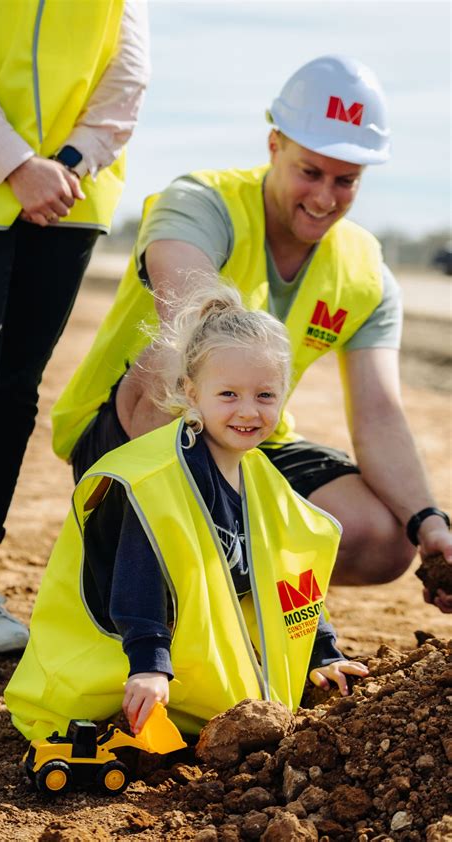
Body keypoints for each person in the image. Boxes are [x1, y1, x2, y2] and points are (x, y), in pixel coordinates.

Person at [51, 54, 452, 612]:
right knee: (177, 359)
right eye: (310, 172)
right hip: (135, 427)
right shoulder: (200, 202)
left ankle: (236, 587)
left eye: (346, 181)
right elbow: (187, 315)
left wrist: (428, 520)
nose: (324, 198)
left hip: (248, 437)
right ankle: (154, 575)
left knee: (385, 536)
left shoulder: (365, 270)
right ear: (274, 145)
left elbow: (380, 410)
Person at [5, 285, 368, 740]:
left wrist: (322, 652)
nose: (248, 411)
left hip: (200, 692)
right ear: (191, 392)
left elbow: (288, 574)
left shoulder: (261, 478)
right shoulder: (157, 478)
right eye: (229, 394)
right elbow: (137, 578)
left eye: (265, 395)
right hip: (117, 676)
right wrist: (150, 665)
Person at [0, 0, 151, 653]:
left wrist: (69, 164)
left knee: (13, 387)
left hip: (69, 199)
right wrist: (18, 164)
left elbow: (128, 75)